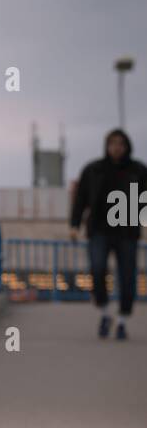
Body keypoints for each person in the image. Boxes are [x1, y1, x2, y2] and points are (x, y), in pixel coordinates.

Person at [69, 128, 147, 338]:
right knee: (97, 268)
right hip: (99, 231)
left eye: (120, 143)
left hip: (127, 232)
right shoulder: (93, 170)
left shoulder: (138, 170)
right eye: (112, 143)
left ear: (127, 146)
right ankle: (105, 313)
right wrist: (74, 225)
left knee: (128, 276)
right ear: (106, 145)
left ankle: (122, 320)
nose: (116, 147)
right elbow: (81, 199)